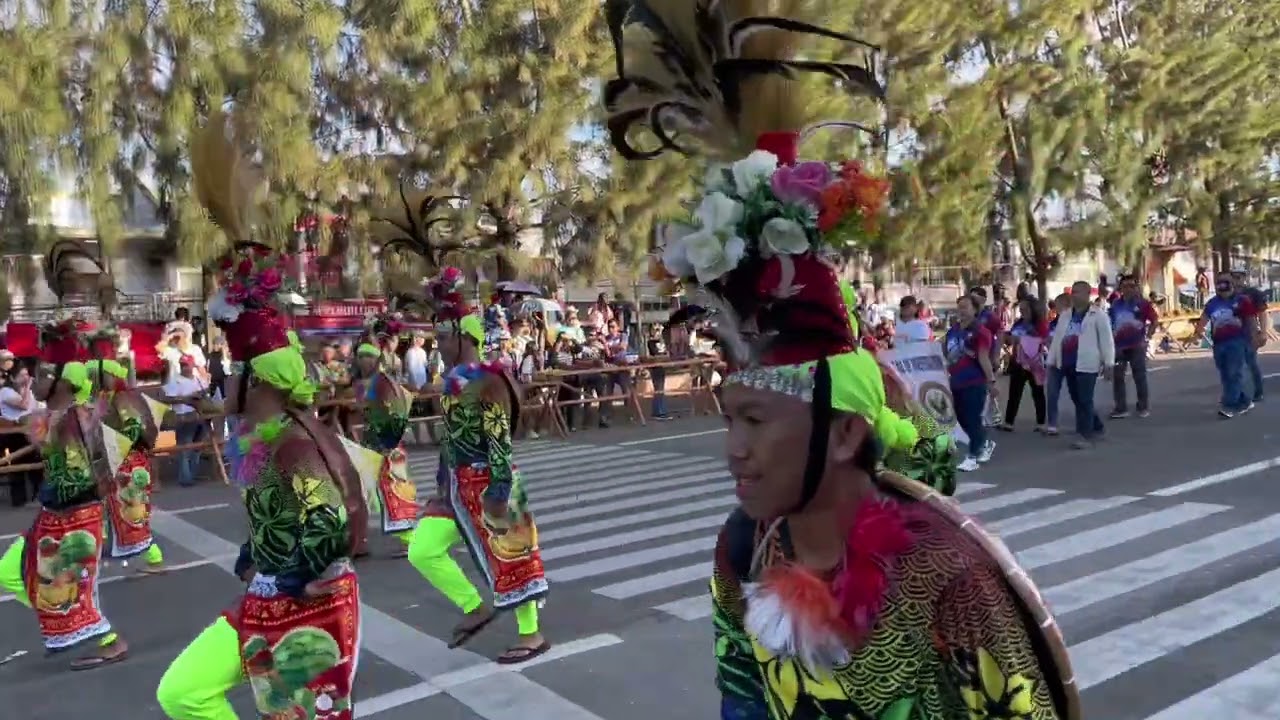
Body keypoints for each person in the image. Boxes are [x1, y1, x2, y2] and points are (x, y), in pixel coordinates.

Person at [602, 14, 1079, 714]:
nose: (733, 449)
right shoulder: (742, 548)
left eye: (756, 420)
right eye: (730, 419)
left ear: (849, 430)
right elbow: (741, 698)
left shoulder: (949, 578)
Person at [157, 114, 366, 718]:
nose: (225, 380)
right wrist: (255, 554)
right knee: (182, 692)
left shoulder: (291, 445)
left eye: (233, 369)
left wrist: (289, 574)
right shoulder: (261, 438)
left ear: (257, 380)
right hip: (269, 598)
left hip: (308, 608)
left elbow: (329, 526)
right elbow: (284, 516)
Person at [408, 266, 550, 664]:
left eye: (443, 337)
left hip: (491, 483)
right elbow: (452, 439)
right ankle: (474, 607)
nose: (437, 345)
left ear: (465, 337)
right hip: (456, 488)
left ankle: (532, 635)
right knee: (422, 550)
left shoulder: (488, 380)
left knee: (513, 556)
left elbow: (500, 441)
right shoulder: (455, 380)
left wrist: (499, 492)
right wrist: (442, 485)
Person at [86, 353, 165, 573]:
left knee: (131, 513)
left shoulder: (122, 399)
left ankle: (154, 557)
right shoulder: (112, 398)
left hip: (128, 463)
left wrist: (114, 447)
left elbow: (133, 427)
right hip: (122, 461)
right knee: (121, 512)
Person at [348, 324, 417, 549]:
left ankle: (407, 538)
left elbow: (399, 408)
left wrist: (390, 438)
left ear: (376, 358)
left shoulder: (384, 382)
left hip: (389, 442)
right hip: (369, 443)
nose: (364, 361)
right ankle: (359, 539)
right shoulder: (360, 383)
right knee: (360, 490)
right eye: (361, 357)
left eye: (368, 357)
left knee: (396, 488)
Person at [1047, 281, 1113, 449]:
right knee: (1078, 399)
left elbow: (1107, 340)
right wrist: (1052, 360)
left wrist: (1108, 363)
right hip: (1068, 363)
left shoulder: (1098, 315)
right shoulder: (1066, 315)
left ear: (1087, 294)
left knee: (1085, 399)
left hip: (1087, 364)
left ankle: (1085, 435)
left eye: (1078, 292)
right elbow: (1057, 339)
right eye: (1073, 292)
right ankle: (1097, 426)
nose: (1074, 295)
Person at [1196, 276, 1261, 418]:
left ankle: (1229, 406)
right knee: (1225, 374)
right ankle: (1244, 401)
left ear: (1232, 286)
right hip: (1219, 343)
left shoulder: (1242, 300)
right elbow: (1204, 318)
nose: (1223, 291)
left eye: (1226, 287)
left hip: (1237, 341)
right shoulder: (1212, 303)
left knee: (1234, 373)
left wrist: (1254, 337)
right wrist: (1199, 331)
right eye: (1220, 287)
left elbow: (1251, 320)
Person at [946, 295, 997, 471]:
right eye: (959, 306)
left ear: (975, 310)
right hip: (956, 382)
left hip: (974, 381)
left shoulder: (981, 332)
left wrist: (991, 381)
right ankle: (984, 442)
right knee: (962, 419)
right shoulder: (953, 331)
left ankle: (973, 457)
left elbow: (983, 358)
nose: (961, 310)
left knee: (973, 418)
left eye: (965, 307)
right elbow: (947, 355)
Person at [1108, 275, 1159, 418]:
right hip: (1119, 346)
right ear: (1121, 288)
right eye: (1125, 286)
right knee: (1118, 377)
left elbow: (1154, 321)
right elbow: (1110, 323)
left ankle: (1143, 406)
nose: (1128, 289)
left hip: (1137, 345)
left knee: (1139, 376)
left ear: (1137, 287)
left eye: (1132, 286)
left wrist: (1148, 337)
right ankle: (1121, 408)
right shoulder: (1115, 305)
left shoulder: (1143, 304)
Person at [999, 297, 1048, 432]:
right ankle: (1009, 422)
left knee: (1037, 393)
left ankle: (1041, 422)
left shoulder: (1039, 324)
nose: (1022, 311)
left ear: (1033, 309)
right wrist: (1008, 338)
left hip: (1034, 363)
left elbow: (1044, 340)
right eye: (1021, 309)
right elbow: (1010, 338)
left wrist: (1024, 339)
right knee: (1014, 393)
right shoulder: (1018, 323)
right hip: (1017, 362)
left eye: (1025, 309)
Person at [163, 356, 209, 487]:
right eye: (183, 365)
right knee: (185, 447)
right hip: (183, 416)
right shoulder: (175, 381)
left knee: (198, 446)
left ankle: (192, 474)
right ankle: (185, 478)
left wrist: (200, 396)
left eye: (187, 365)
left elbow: (206, 392)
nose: (185, 368)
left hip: (199, 416)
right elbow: (167, 398)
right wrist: (185, 399)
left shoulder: (198, 379)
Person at [0, 365, 40, 507]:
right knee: (19, 464)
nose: (25, 378)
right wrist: (28, 387)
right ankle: (19, 499)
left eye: (26, 375)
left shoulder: (28, 392)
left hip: (27, 431)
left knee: (36, 463)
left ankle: (38, 496)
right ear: (12, 378)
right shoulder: (5, 391)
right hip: (12, 432)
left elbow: (35, 409)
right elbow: (24, 406)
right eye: (21, 375)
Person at [1230, 270, 1267, 403]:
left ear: (1244, 278)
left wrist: (1263, 332)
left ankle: (1258, 391)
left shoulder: (1253, 293)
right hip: (1232, 333)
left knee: (1251, 362)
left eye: (1238, 277)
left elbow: (1262, 313)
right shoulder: (1228, 294)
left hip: (1249, 333)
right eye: (1233, 277)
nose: (1236, 281)